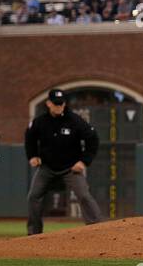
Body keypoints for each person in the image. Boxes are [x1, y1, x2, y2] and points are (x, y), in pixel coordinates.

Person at [25, 89, 102, 235]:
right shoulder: (40, 122)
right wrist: (32, 156)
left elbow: (93, 139)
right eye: (55, 104)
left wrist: (84, 162)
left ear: (65, 104)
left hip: (70, 168)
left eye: (61, 104)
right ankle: (33, 234)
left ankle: (97, 228)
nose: (59, 106)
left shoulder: (75, 121)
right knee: (33, 196)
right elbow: (30, 138)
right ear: (48, 103)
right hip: (47, 167)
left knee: (84, 195)